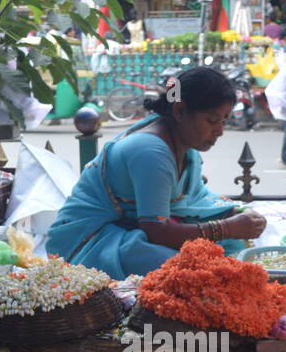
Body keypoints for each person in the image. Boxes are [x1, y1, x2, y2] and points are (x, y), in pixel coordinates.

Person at [46, 66, 267, 278]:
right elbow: (156, 231)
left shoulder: (182, 146)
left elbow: (195, 199)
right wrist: (226, 227)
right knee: (192, 271)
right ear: (180, 111)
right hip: (91, 241)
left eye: (224, 121)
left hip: (133, 230)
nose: (219, 131)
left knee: (230, 249)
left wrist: (232, 213)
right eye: (212, 120)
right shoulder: (151, 152)